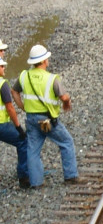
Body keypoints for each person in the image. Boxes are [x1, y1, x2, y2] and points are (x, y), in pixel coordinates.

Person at [18, 44, 77, 188]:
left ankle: (36, 183)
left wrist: (22, 106)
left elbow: (14, 92)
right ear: (45, 61)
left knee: (33, 150)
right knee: (66, 142)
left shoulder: (24, 75)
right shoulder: (51, 79)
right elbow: (63, 97)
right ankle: (70, 176)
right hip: (48, 120)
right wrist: (67, 101)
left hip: (31, 119)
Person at [0, 40, 29, 188]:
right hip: (1, 125)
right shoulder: (2, 84)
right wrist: (18, 127)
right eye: (2, 66)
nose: (4, 68)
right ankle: (24, 177)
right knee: (22, 142)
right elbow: (10, 107)